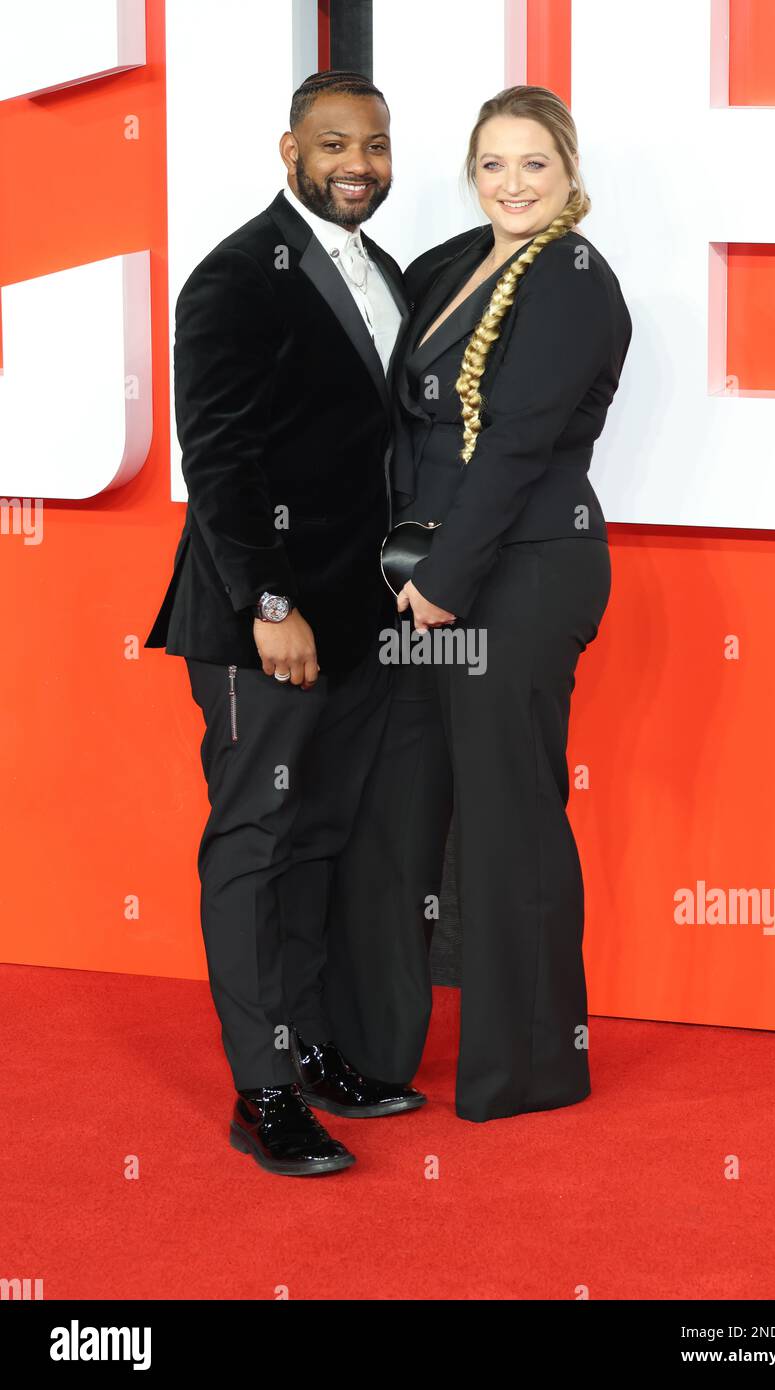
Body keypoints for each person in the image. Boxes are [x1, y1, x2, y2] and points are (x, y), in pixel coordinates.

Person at [324, 84, 633, 1123]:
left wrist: (444, 583)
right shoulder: (453, 263)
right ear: (471, 172)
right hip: (425, 582)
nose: (512, 182)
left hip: (522, 574)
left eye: (534, 163)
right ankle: (373, 1053)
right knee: (399, 808)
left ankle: (529, 1067)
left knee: (507, 817)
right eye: (493, 163)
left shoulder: (573, 278)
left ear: (568, 171)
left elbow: (514, 445)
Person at [144, 70, 425, 1178]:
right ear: (289, 151)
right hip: (262, 620)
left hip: (359, 619)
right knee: (255, 846)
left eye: (375, 144)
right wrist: (271, 604)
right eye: (335, 144)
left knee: (317, 838)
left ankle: (309, 1050)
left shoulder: (384, 270)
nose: (358, 163)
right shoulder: (233, 278)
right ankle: (261, 1093)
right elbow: (217, 463)